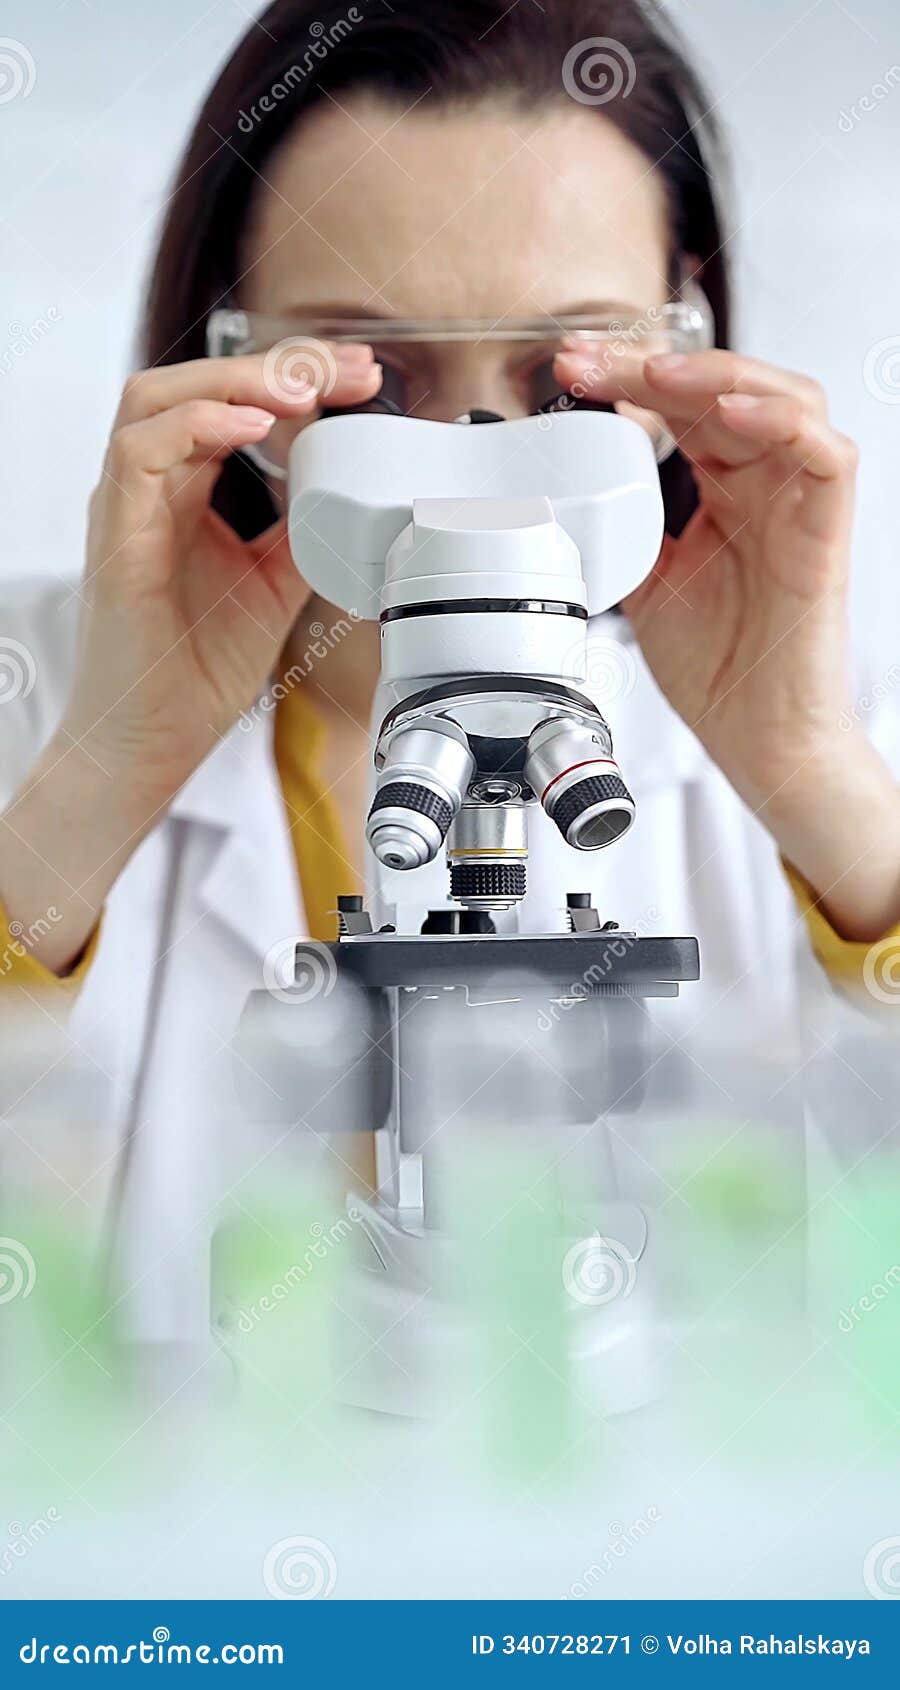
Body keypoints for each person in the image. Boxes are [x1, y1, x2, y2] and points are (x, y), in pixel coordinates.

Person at [1, 0, 897, 1338]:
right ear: (229, 369)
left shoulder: (847, 732)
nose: (476, 467)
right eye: (370, 381)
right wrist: (101, 771)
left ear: (682, 355)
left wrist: (818, 786)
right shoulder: (36, 694)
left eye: (565, 383)